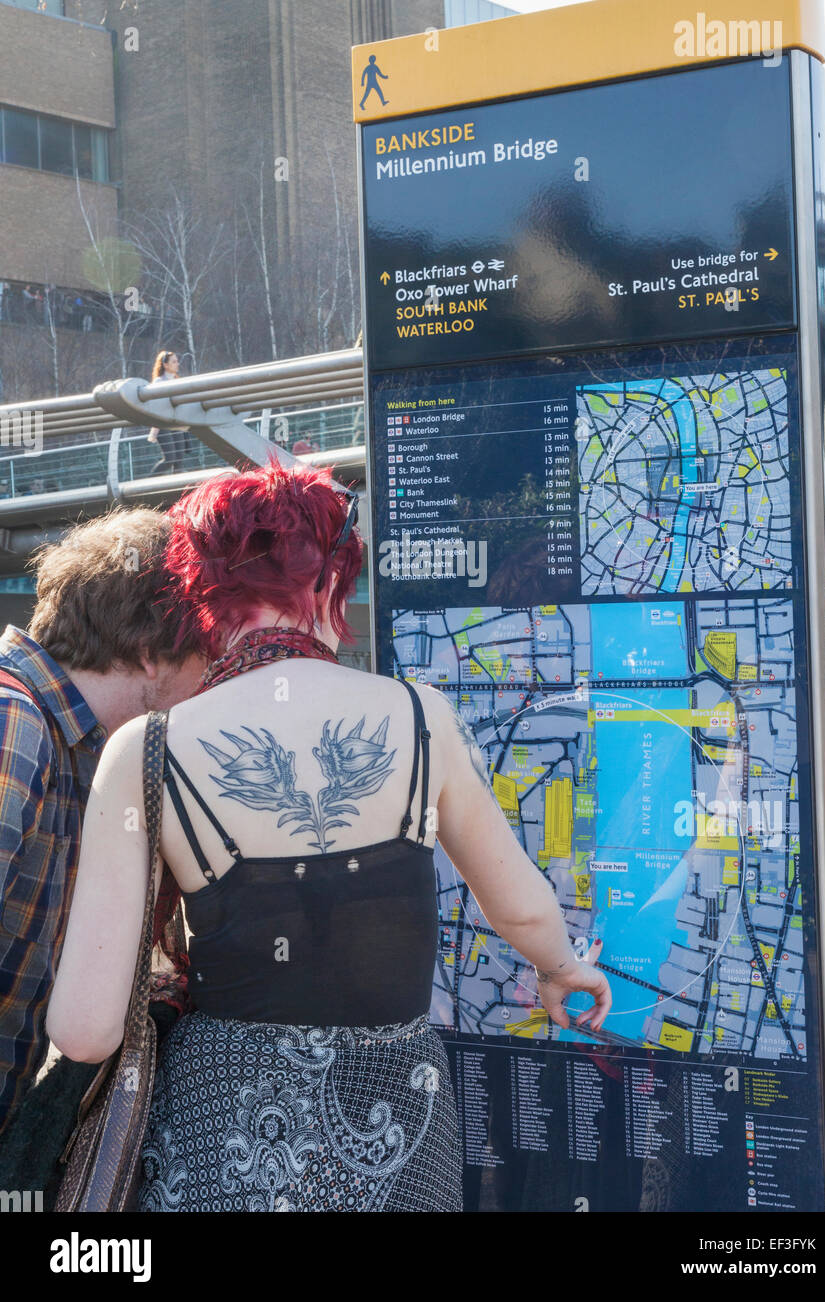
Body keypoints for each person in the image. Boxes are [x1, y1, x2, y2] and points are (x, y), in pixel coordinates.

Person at [47, 462, 611, 1213]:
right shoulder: (420, 718)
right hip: (401, 1133)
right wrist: (561, 968)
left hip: (222, 1135)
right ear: (335, 582)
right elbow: (520, 909)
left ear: (200, 590)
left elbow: (84, 1033)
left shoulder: (146, 752)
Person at [0, 509, 206, 1141]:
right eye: (209, 653)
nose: (214, 679)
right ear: (150, 653)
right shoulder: (15, 728)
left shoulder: (64, 743)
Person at [148, 350, 193, 475]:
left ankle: (178, 491)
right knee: (170, 459)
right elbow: (154, 405)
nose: (177, 364)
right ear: (165, 365)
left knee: (178, 460)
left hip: (176, 423)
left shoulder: (178, 381)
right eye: (174, 361)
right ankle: (148, 483)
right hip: (162, 424)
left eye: (177, 361)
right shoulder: (158, 382)